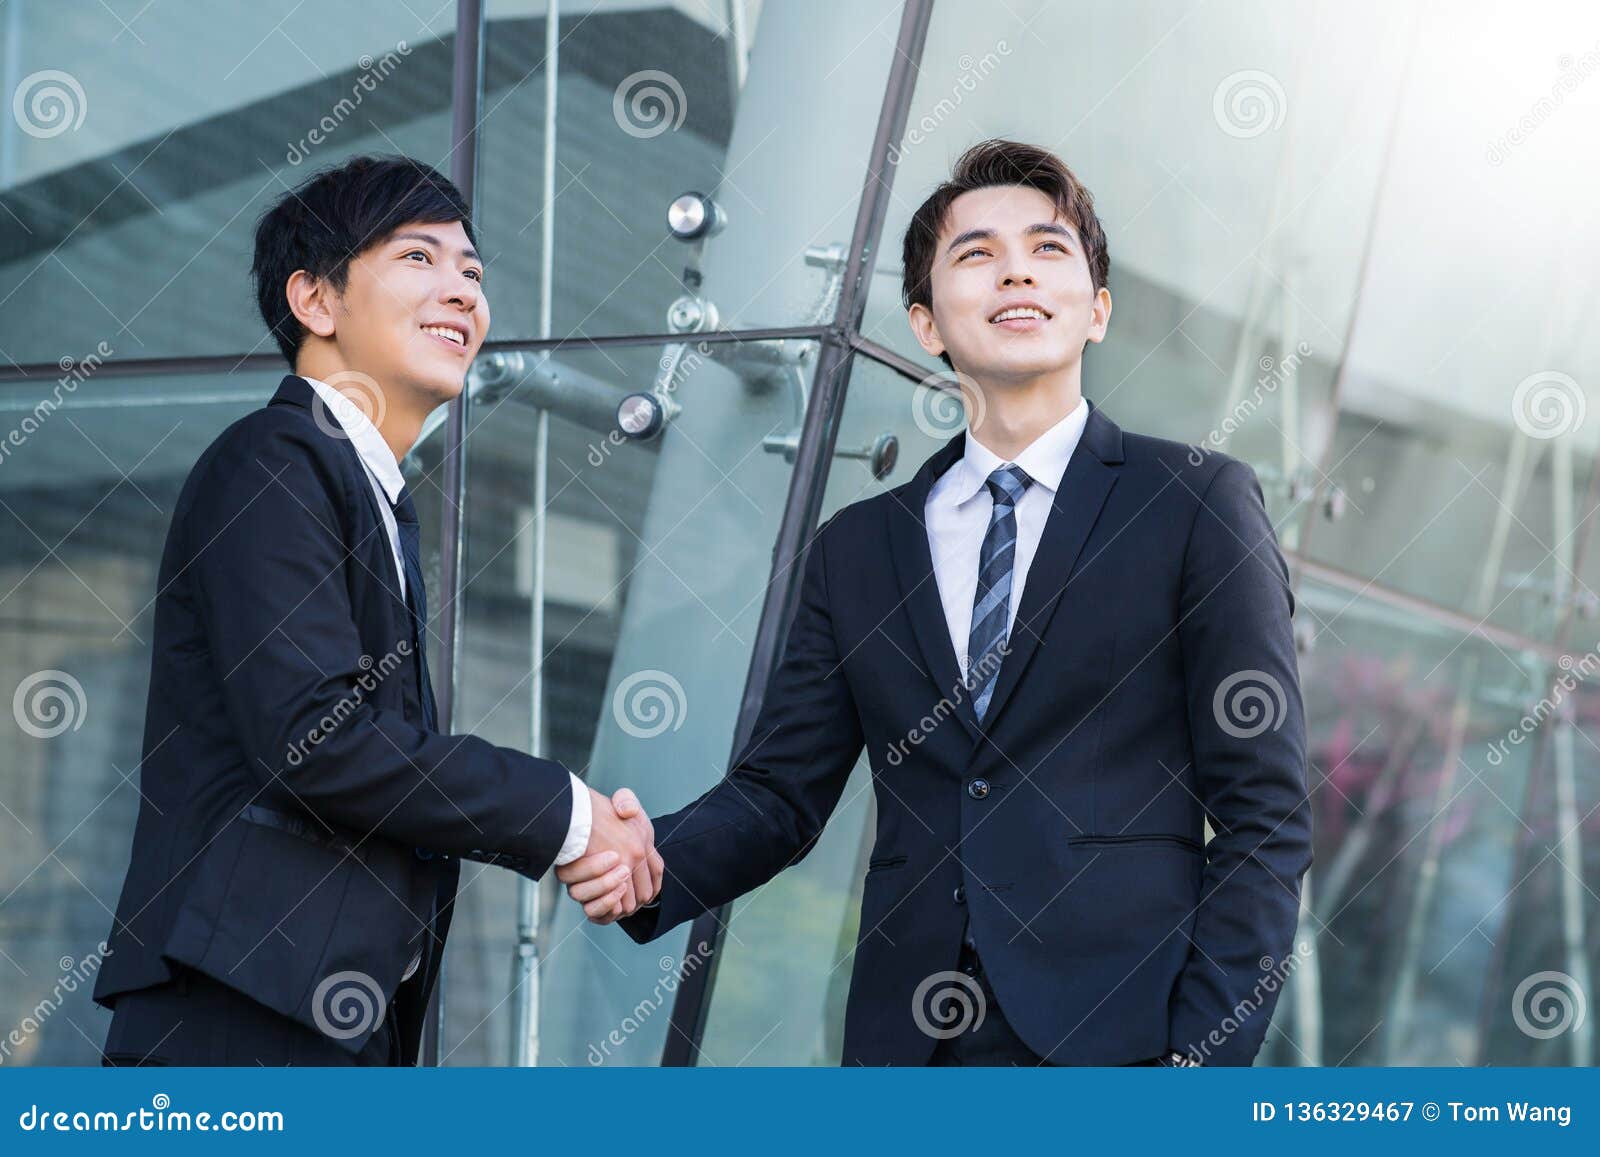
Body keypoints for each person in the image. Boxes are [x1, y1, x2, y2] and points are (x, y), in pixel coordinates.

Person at [560, 139, 1312, 1067]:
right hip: (908, 1043)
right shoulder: (860, 546)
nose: (1015, 273)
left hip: (1121, 1042)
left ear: (1098, 310)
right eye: (976, 254)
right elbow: (781, 793)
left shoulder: (1196, 504)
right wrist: (650, 861)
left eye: (1048, 249)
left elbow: (1265, 816)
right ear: (926, 323)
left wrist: (1198, 1068)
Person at [94, 155, 660, 1067]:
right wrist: (565, 813)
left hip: (313, 1017)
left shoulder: (367, 491)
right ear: (315, 300)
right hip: (237, 1019)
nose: (462, 293)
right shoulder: (274, 460)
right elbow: (319, 736)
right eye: (417, 259)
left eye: (473, 272)